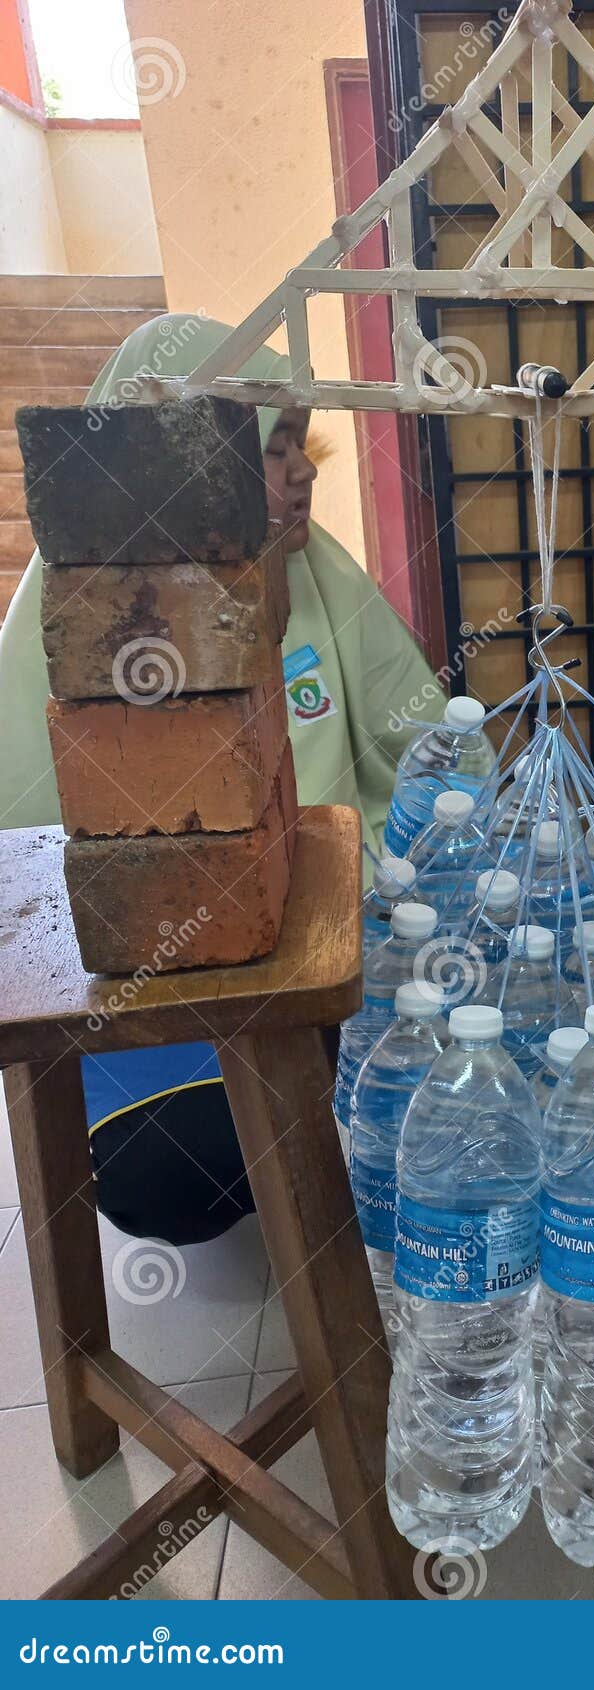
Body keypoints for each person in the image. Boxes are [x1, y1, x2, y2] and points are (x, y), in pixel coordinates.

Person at [0, 314, 457, 1244]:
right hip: (144, 987)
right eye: (270, 448)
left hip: (321, 943)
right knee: (169, 1167)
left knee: (459, 1041)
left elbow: (440, 752)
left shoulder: (317, 579)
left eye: (300, 445)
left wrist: (391, 880)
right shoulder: (66, 613)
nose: (301, 472)